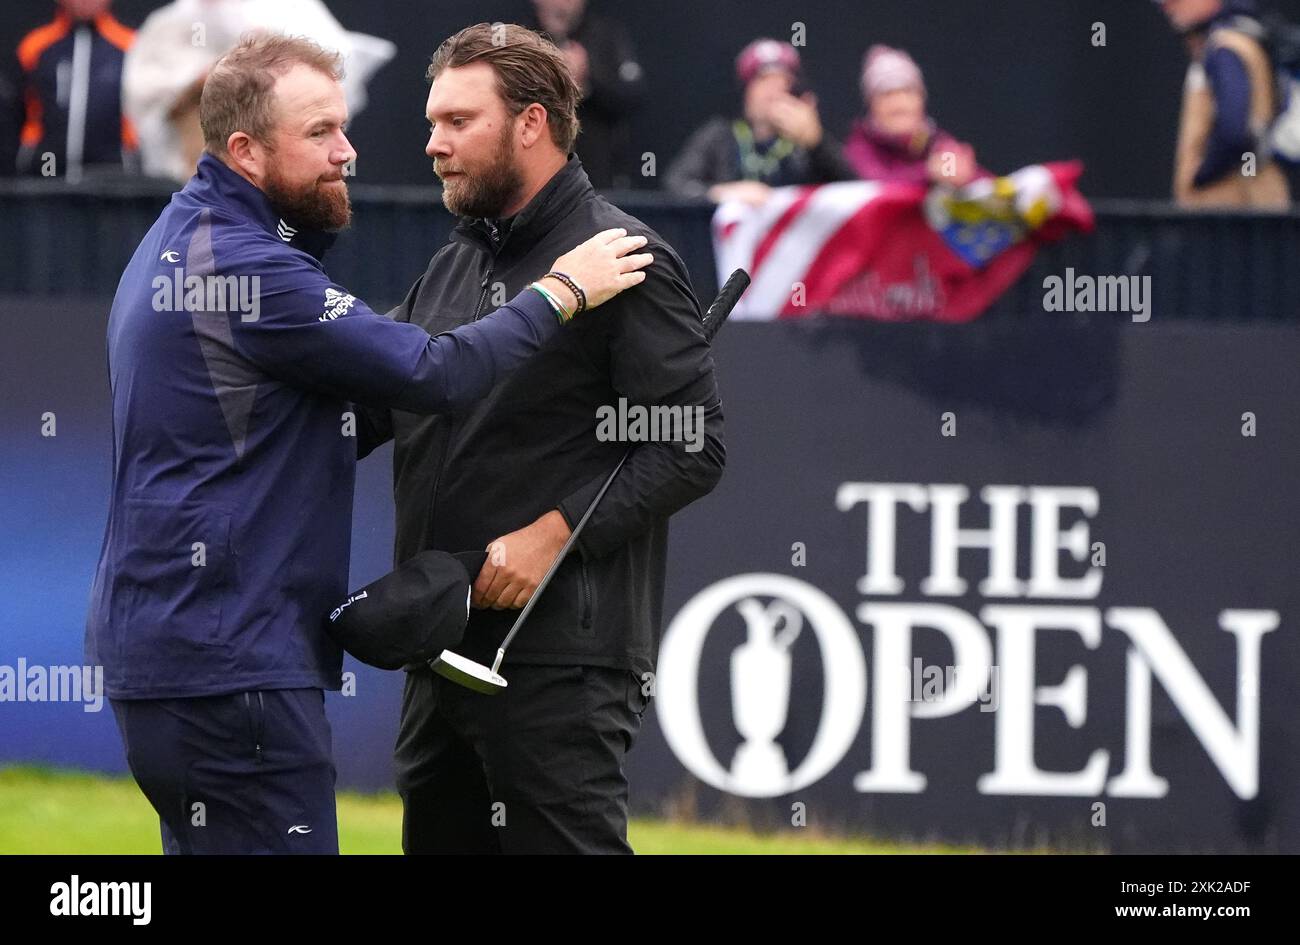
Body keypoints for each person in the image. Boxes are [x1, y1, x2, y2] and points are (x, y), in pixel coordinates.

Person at [84, 33, 651, 855]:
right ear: (244, 150)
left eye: (341, 128)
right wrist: (562, 290)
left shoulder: (182, 237)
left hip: (176, 667)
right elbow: (434, 371)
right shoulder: (250, 267)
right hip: (232, 669)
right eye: (319, 133)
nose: (347, 152)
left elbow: (322, 414)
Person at [355, 22, 725, 854]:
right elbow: (379, 406)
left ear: (531, 123)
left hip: (560, 662)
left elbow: (692, 443)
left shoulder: (626, 259)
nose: (434, 145)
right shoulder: (451, 264)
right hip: (440, 644)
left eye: (458, 122)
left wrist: (552, 533)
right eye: (431, 123)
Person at [123, 0, 394, 183]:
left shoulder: (288, 10)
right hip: (187, 180)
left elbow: (334, 69)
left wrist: (267, 58)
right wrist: (198, 82)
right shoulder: (169, 25)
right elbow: (146, 95)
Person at [665, 37, 854, 205]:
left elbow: (854, 192)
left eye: (783, 82)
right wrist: (721, 193)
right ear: (746, 90)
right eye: (763, 80)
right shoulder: (720, 135)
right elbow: (676, 184)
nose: (773, 91)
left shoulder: (805, 144)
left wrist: (817, 143)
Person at [1157, 0, 1290, 206]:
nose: (1166, 5)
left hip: (1229, 210)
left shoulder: (1225, 47)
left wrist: (1200, 177)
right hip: (1261, 202)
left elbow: (1234, 132)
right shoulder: (1247, 37)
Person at [1, 0, 136, 179]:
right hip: (46, 166)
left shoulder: (131, 46)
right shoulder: (34, 46)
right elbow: (13, 110)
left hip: (113, 170)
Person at [527, 0, 646, 189]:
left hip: (596, 171)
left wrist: (586, 81)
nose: (561, 4)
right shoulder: (517, 38)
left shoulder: (607, 35)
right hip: (533, 169)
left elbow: (631, 96)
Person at [843, 44, 988, 187]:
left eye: (908, 91)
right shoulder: (860, 147)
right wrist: (929, 173)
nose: (899, 104)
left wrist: (964, 177)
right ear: (871, 104)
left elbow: (982, 184)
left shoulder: (939, 143)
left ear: (921, 99)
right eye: (887, 94)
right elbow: (876, 187)